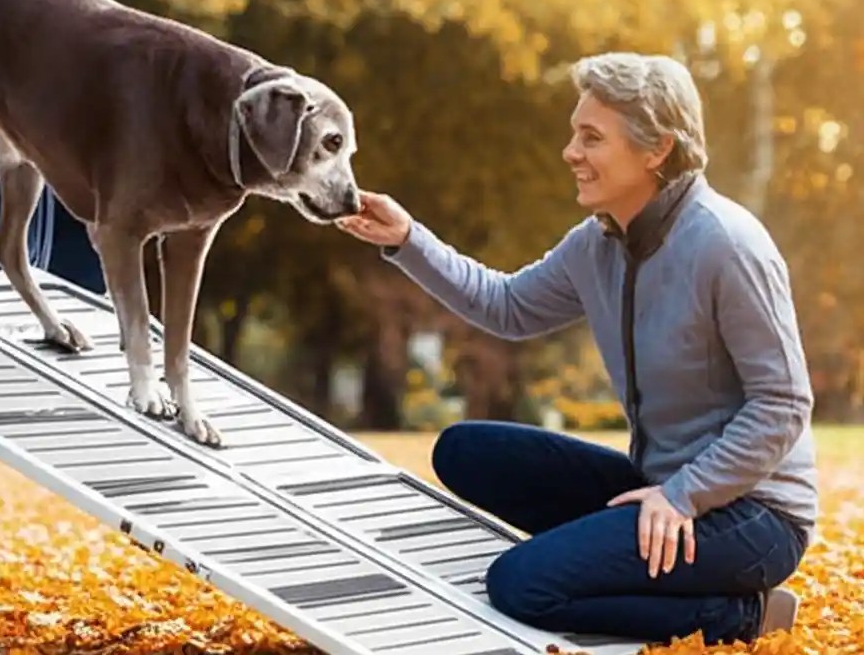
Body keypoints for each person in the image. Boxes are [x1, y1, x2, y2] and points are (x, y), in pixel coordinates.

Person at [335, 51, 817, 646]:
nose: (570, 153)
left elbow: (784, 404)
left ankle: (735, 615)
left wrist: (682, 495)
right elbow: (506, 306)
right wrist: (409, 240)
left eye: (591, 137)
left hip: (752, 515)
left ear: (656, 149)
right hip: (659, 487)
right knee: (465, 450)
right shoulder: (599, 243)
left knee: (522, 586)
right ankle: (615, 557)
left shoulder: (728, 245)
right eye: (574, 134)